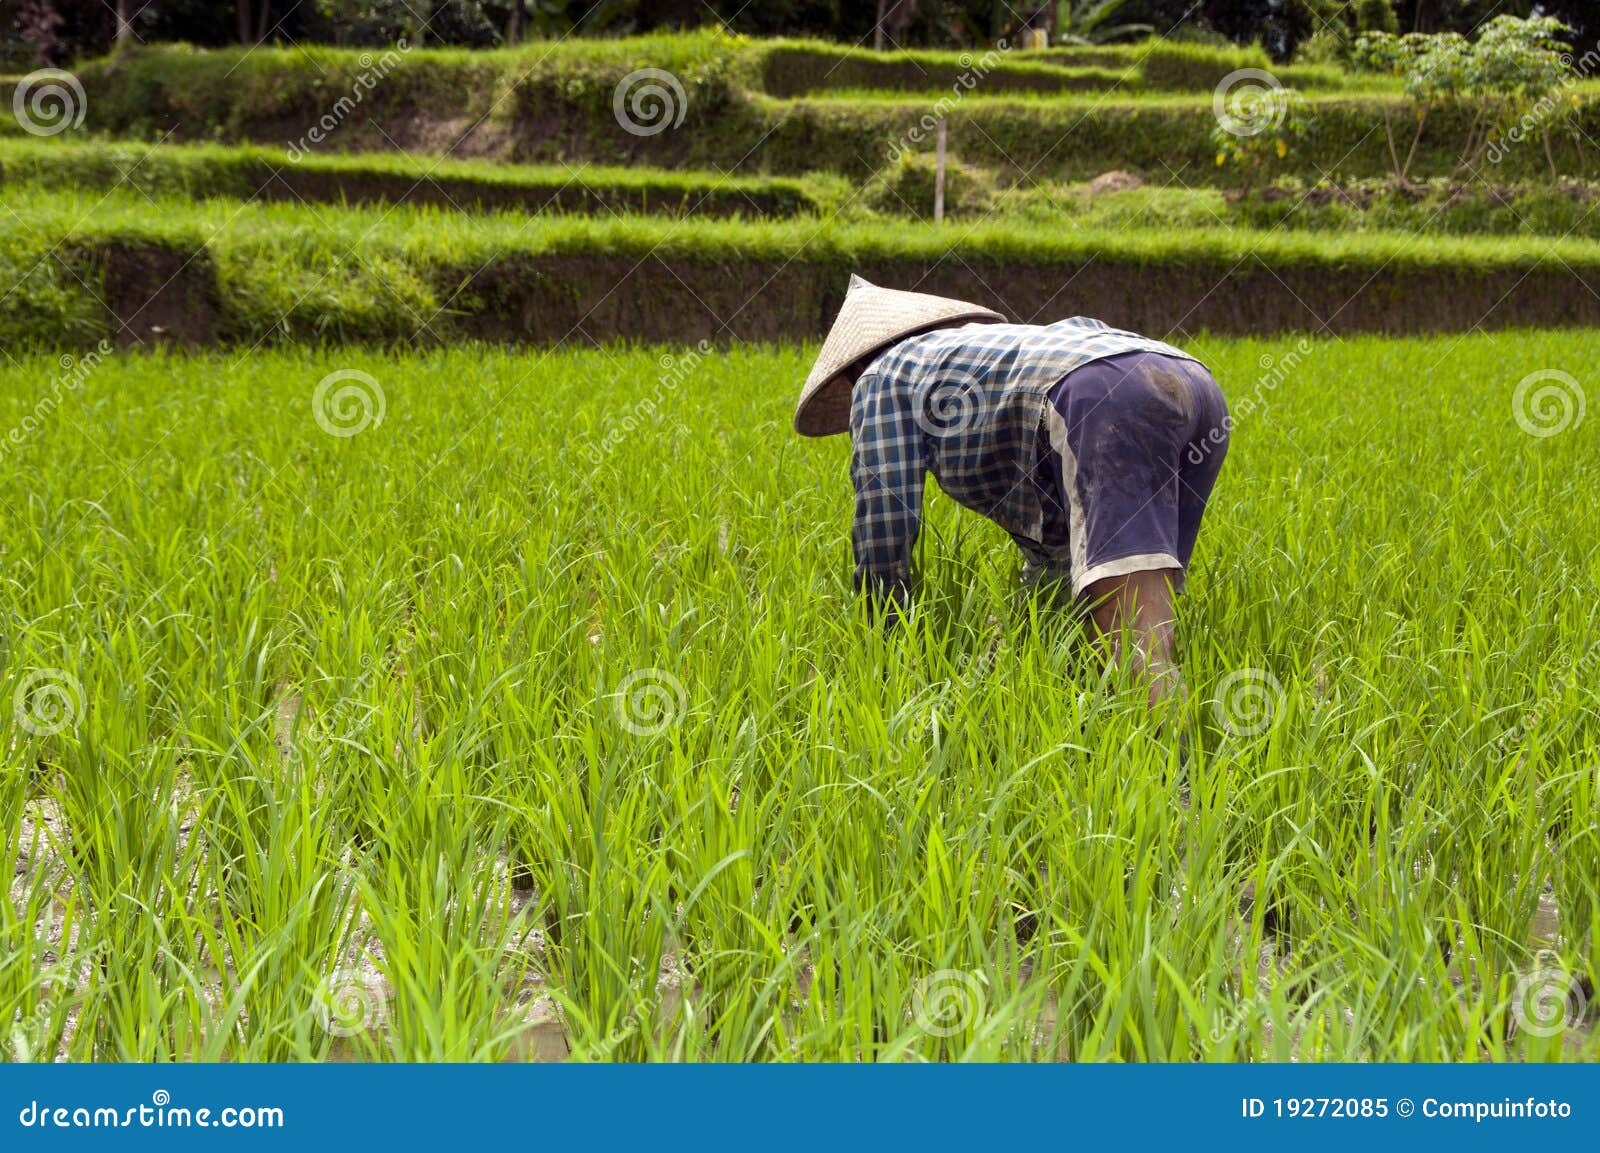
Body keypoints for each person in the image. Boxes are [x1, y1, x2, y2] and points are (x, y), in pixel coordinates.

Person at [794, 275, 1229, 708]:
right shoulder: (996, 354)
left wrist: (882, 640)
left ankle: (1174, 769)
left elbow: (885, 521)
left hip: (1099, 396)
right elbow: (1055, 548)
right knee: (1132, 596)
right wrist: (1013, 644)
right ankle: (1116, 739)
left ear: (854, 369)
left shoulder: (882, 376)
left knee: (1132, 634)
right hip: (1194, 385)